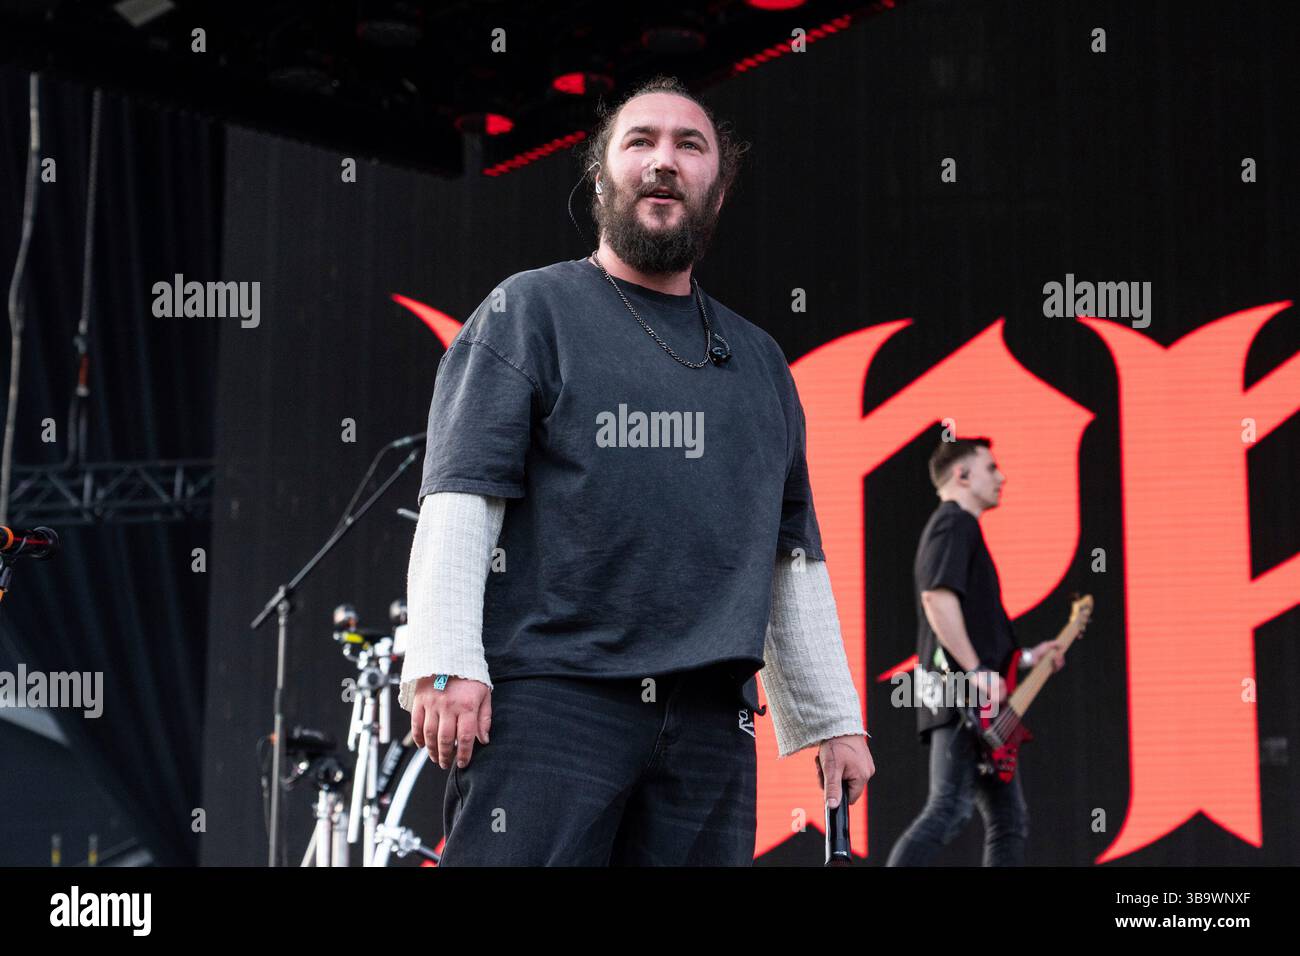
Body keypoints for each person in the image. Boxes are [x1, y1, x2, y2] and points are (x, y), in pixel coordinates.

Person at [398, 75, 874, 866]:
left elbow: (790, 550)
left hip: (712, 722)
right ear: (599, 179)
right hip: (553, 700)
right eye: (640, 141)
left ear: (715, 194)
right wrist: (445, 662)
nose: (664, 161)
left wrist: (832, 719)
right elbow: (461, 493)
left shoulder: (760, 360)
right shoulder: (529, 311)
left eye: (690, 147)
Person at [885, 437, 1066, 866]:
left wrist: (1024, 659)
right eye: (990, 468)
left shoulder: (961, 529)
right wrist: (976, 670)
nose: (1001, 477)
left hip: (973, 696)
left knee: (1008, 819)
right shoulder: (954, 523)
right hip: (962, 696)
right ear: (962, 474)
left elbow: (976, 627)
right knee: (949, 809)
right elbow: (937, 600)